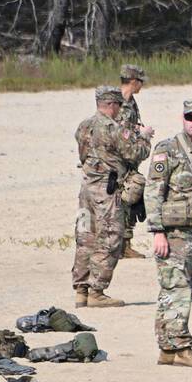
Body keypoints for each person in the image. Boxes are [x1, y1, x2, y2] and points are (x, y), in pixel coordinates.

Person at [146, 99, 192, 366]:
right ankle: (182, 348)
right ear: (183, 118)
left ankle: (167, 350)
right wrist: (157, 232)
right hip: (173, 233)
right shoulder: (167, 149)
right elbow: (153, 191)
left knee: (181, 289)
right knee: (177, 289)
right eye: (190, 117)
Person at [72, 86, 146, 308]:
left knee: (85, 237)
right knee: (111, 237)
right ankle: (97, 290)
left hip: (86, 190)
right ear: (112, 105)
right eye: (118, 106)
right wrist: (144, 137)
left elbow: (83, 154)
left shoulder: (83, 126)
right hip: (107, 191)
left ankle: (81, 290)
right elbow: (136, 152)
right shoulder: (114, 129)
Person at [114, 64, 155, 259]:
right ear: (133, 81)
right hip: (121, 160)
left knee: (132, 198)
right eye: (140, 82)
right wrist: (142, 135)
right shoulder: (120, 103)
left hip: (129, 160)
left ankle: (125, 244)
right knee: (127, 197)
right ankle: (122, 245)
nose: (141, 86)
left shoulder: (130, 102)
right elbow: (119, 133)